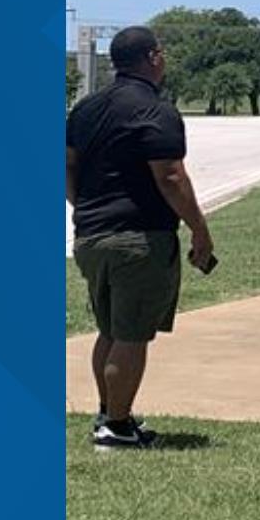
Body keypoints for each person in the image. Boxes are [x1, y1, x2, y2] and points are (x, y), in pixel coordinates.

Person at [66, 26, 216, 451]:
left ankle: (110, 413)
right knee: (131, 335)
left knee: (110, 330)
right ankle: (116, 429)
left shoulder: (86, 109)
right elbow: (170, 177)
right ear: (153, 57)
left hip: (91, 237)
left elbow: (67, 166)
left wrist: (85, 209)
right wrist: (200, 231)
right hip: (139, 239)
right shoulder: (156, 110)